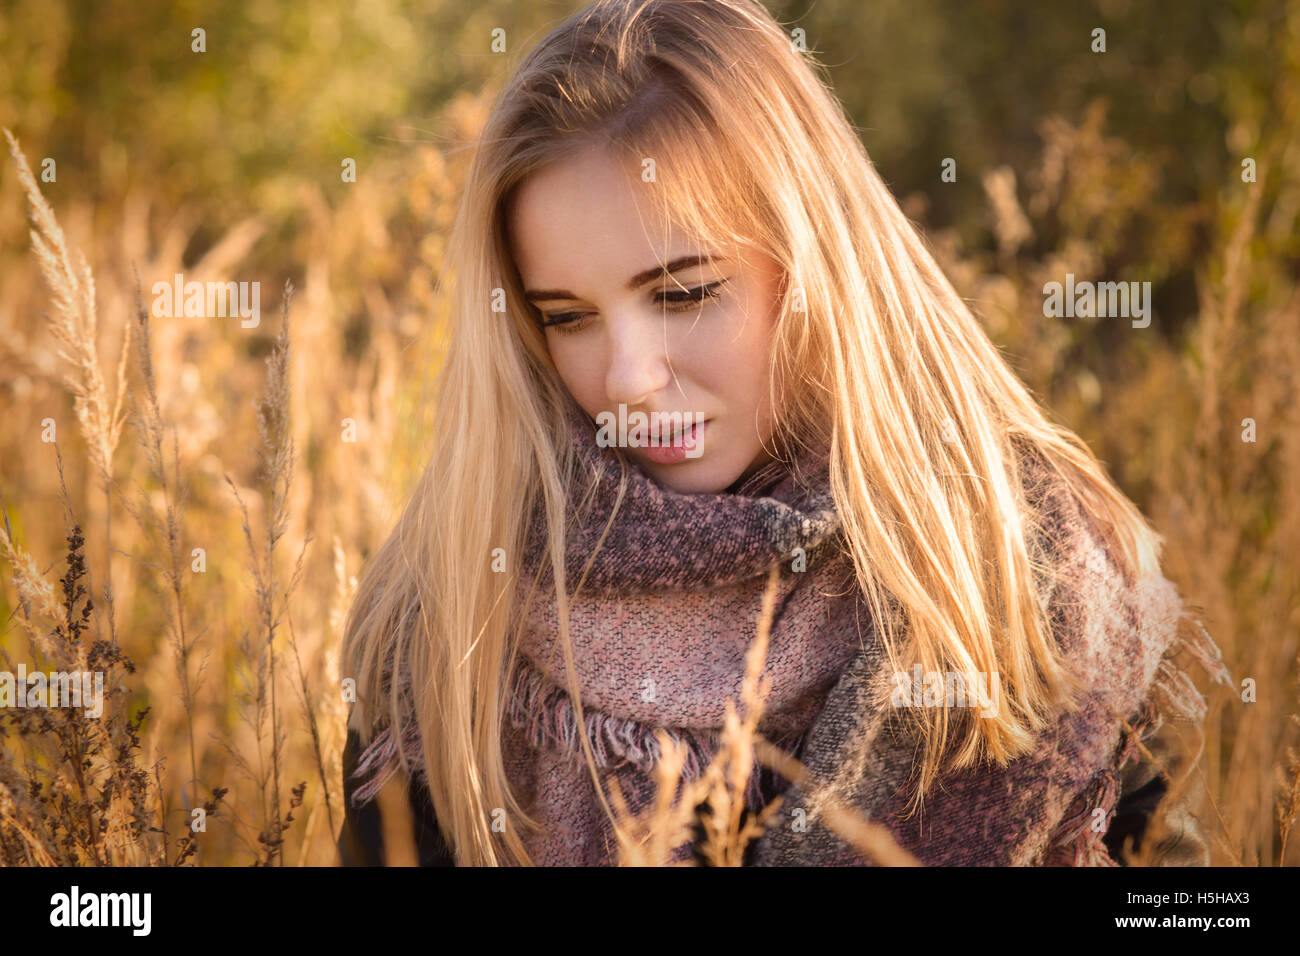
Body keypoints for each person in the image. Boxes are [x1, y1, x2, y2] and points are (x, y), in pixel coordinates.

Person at [337, 0, 1230, 867]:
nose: (626, 379)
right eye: (568, 317)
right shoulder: (455, 608)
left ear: (811, 269)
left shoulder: (1031, 565)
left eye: (683, 294)